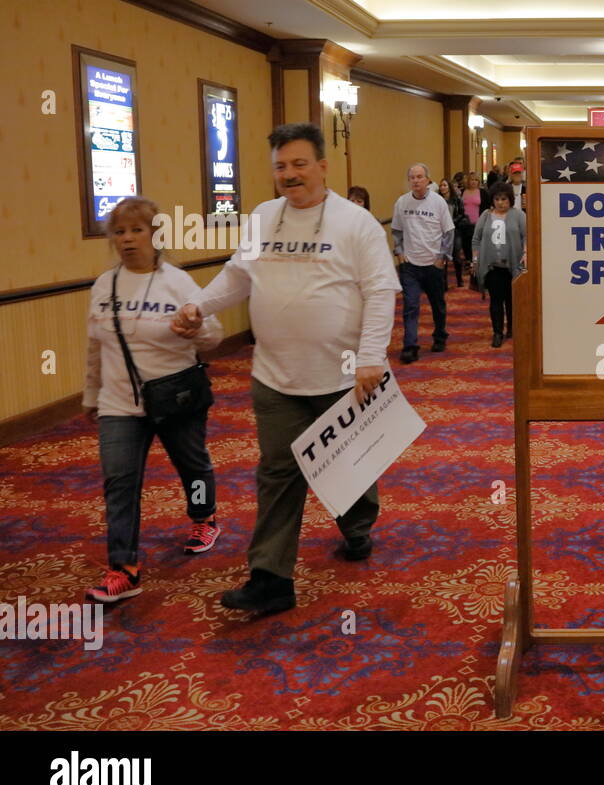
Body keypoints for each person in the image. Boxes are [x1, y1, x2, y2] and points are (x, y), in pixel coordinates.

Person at [172, 122, 398, 614]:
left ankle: (357, 526)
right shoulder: (263, 217)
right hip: (275, 377)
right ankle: (271, 577)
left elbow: (380, 291)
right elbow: (237, 276)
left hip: (342, 374)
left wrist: (371, 357)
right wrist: (198, 306)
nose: (290, 174)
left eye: (299, 164)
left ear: (322, 166)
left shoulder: (355, 222)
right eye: (280, 166)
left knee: (348, 464)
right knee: (277, 472)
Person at [83, 197, 224, 603]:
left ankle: (204, 517)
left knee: (192, 466)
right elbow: (95, 346)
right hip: (119, 402)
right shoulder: (104, 285)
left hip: (174, 396)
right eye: (119, 232)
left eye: (136, 230)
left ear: (155, 234)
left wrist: (194, 329)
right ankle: (123, 568)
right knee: (120, 482)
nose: (127, 239)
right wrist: (91, 394)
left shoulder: (177, 283)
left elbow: (213, 335)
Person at [392, 162, 456, 362]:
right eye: (412, 177)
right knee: (410, 306)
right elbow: (396, 230)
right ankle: (410, 346)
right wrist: (399, 252)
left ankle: (440, 336)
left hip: (433, 264)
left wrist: (442, 257)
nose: (416, 181)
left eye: (420, 177)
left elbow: (449, 232)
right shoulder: (402, 202)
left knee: (437, 304)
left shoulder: (438, 202)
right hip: (410, 265)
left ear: (428, 180)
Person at [472, 182, 527, 347]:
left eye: (504, 199)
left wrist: (526, 253)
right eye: (497, 199)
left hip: (514, 266)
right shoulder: (485, 215)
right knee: (496, 301)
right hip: (492, 267)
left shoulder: (519, 215)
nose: (500, 202)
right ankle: (497, 332)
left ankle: (512, 328)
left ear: (510, 199)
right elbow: (476, 239)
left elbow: (526, 236)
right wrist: (475, 260)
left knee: (512, 300)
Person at [439, 178, 468, 287]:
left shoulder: (457, 200)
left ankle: (459, 279)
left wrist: (451, 222)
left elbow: (461, 214)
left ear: (449, 187)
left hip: (455, 231)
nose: (442, 187)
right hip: (442, 232)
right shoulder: (437, 200)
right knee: (443, 256)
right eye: (441, 185)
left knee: (456, 256)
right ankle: (444, 282)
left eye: (445, 185)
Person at [459, 172, 484, 292]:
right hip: (465, 223)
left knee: (476, 244)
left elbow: (486, 207)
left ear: (478, 182)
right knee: (466, 244)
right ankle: (469, 263)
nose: (473, 182)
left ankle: (476, 265)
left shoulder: (482, 192)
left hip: (478, 223)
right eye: (471, 180)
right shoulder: (463, 192)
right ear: (468, 181)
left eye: (475, 180)